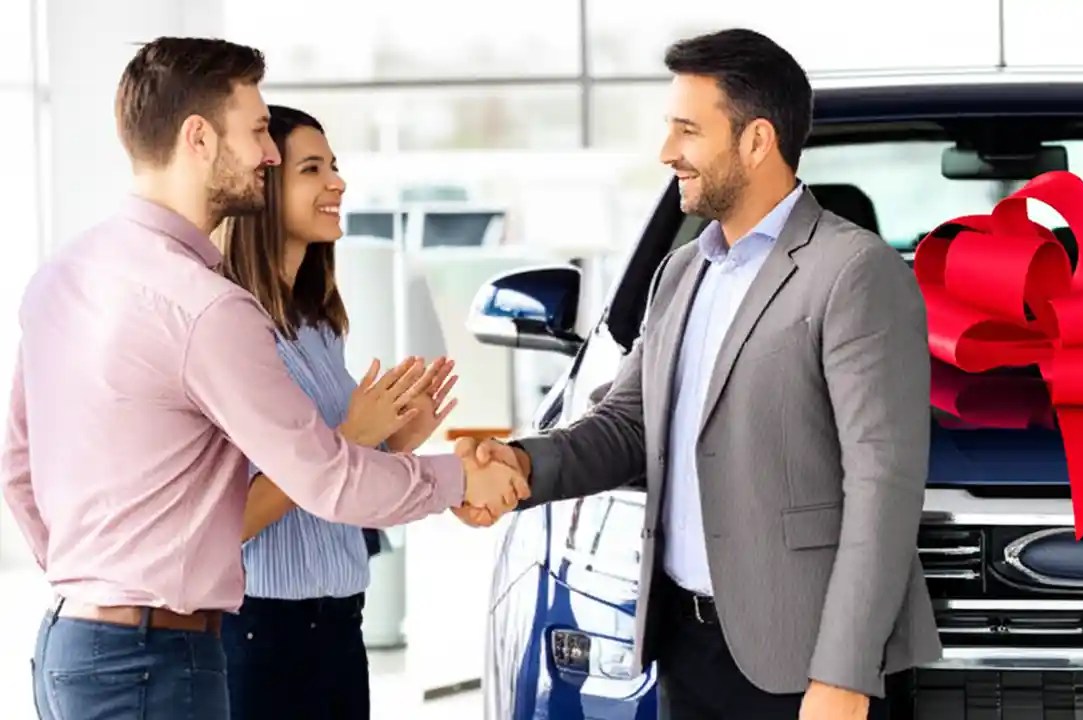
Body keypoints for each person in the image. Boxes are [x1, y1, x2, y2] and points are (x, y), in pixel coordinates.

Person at [0, 37, 522, 720]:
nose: (268, 154)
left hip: (76, 645)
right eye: (256, 132)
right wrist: (460, 477)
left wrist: (95, 590)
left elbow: (17, 466)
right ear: (198, 138)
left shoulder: (64, 275)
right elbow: (327, 478)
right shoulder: (205, 306)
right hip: (155, 662)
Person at [455, 28, 941, 720]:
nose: (666, 153)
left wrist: (845, 673)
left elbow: (882, 487)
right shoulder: (682, 271)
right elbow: (626, 426)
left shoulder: (854, 271)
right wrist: (518, 466)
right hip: (686, 648)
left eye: (688, 130)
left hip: (801, 667)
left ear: (756, 141)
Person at [215, 104, 457, 720]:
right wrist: (351, 436)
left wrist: (393, 442)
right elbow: (227, 519)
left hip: (339, 621)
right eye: (312, 169)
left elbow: (335, 478)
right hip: (259, 632)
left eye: (335, 166)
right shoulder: (228, 330)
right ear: (262, 185)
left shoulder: (318, 327)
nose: (337, 183)